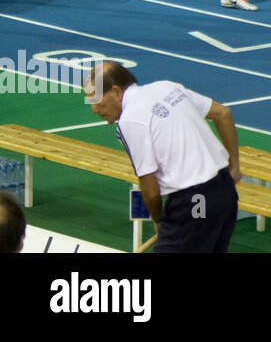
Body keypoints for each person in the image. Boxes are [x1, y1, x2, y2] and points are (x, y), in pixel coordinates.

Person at [84, 61, 240, 253]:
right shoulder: (167, 87)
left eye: (97, 102)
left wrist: (158, 220)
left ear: (116, 92)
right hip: (225, 191)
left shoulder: (130, 120)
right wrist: (234, 167)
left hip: (194, 201)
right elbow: (223, 114)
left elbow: (149, 189)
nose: (94, 110)